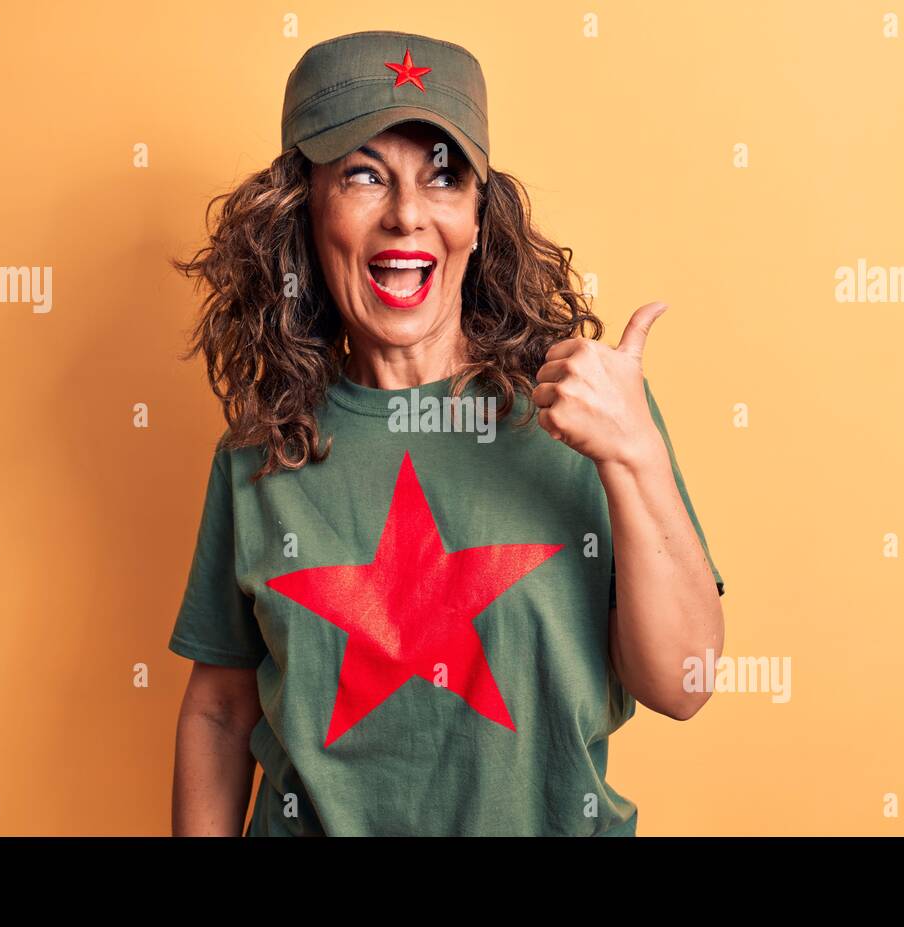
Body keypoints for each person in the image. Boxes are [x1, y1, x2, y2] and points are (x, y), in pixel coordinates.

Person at [168, 29, 725, 837]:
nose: (407, 215)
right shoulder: (261, 449)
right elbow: (219, 712)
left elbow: (683, 684)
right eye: (363, 174)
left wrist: (634, 453)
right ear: (302, 209)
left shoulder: (586, 411)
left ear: (477, 214)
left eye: (443, 177)